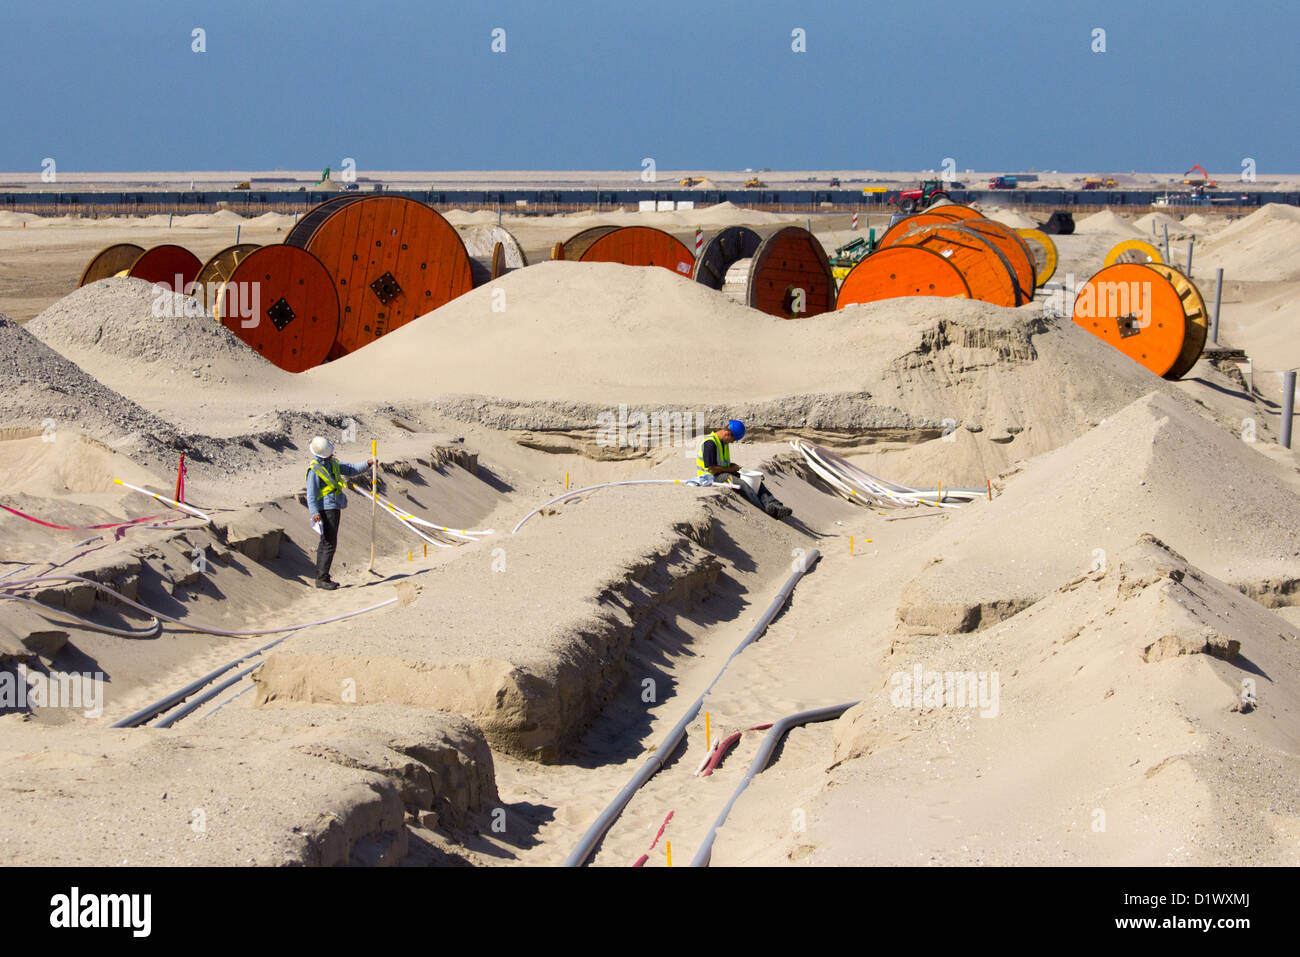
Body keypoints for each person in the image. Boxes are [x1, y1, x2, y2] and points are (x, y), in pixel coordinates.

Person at [305, 436, 376, 589]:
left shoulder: (333, 463)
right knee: (328, 543)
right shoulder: (315, 470)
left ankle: (322, 576)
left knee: (327, 542)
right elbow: (311, 495)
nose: (332, 454)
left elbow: (350, 469)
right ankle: (322, 579)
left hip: (334, 506)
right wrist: (314, 513)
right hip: (326, 509)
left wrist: (368, 463)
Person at [696, 419, 792, 519]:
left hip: (721, 472)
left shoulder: (722, 443)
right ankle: (766, 509)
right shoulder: (710, 443)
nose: (733, 442)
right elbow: (711, 469)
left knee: (756, 481)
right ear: (727, 434)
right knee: (742, 484)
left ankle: (773, 503)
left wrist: (732, 466)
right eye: (733, 439)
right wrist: (731, 469)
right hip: (710, 477)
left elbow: (721, 463)